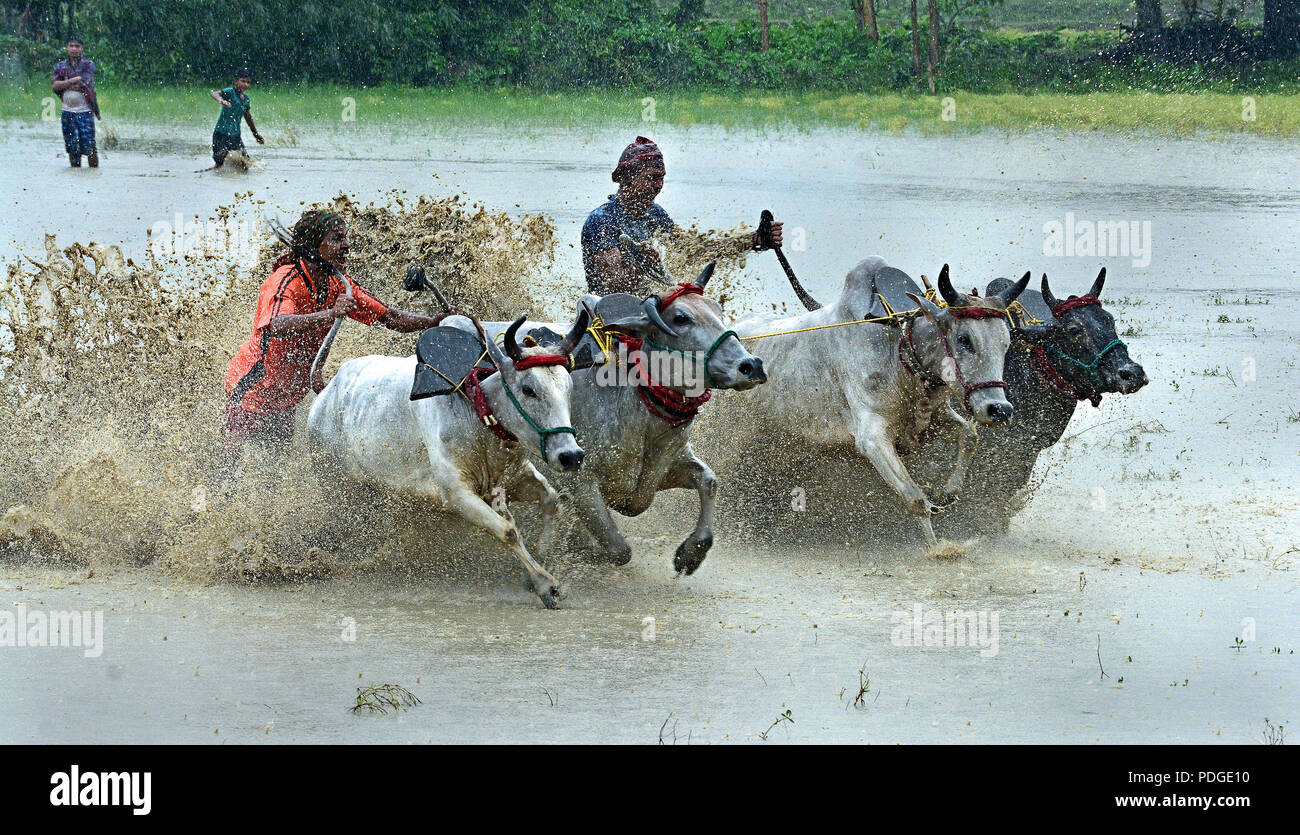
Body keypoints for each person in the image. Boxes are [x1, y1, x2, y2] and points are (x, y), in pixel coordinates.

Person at [222, 210, 442, 466]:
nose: (347, 245)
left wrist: (434, 322)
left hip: (287, 396)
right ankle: (215, 501)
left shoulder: (341, 286)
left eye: (346, 238)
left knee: (274, 470)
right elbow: (278, 324)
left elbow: (390, 317)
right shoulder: (285, 280)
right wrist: (330, 313)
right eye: (337, 239)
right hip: (254, 385)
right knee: (231, 464)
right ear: (314, 246)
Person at [580, 136, 784, 295]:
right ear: (628, 178)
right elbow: (614, 284)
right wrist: (642, 265)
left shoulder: (655, 214)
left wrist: (754, 239)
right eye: (651, 178)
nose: (658, 186)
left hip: (646, 308)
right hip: (611, 317)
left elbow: (695, 251)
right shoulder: (602, 220)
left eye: (661, 179)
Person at [51, 35, 99, 168]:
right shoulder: (61, 65)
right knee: (72, 146)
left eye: (77, 46)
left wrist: (64, 84)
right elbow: (55, 86)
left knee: (90, 146)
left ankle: (94, 172)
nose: (74, 49)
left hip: (85, 111)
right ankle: (75, 173)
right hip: (68, 112)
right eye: (71, 46)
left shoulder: (88, 65)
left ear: (82, 48)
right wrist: (71, 81)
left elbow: (84, 83)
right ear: (67, 48)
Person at [209, 68, 263, 168]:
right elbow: (214, 93)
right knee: (219, 164)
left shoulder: (246, 99)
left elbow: (248, 118)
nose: (245, 84)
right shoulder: (230, 92)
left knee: (245, 164)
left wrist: (255, 134)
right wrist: (221, 100)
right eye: (243, 81)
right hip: (221, 134)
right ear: (236, 81)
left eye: (248, 82)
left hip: (235, 137)